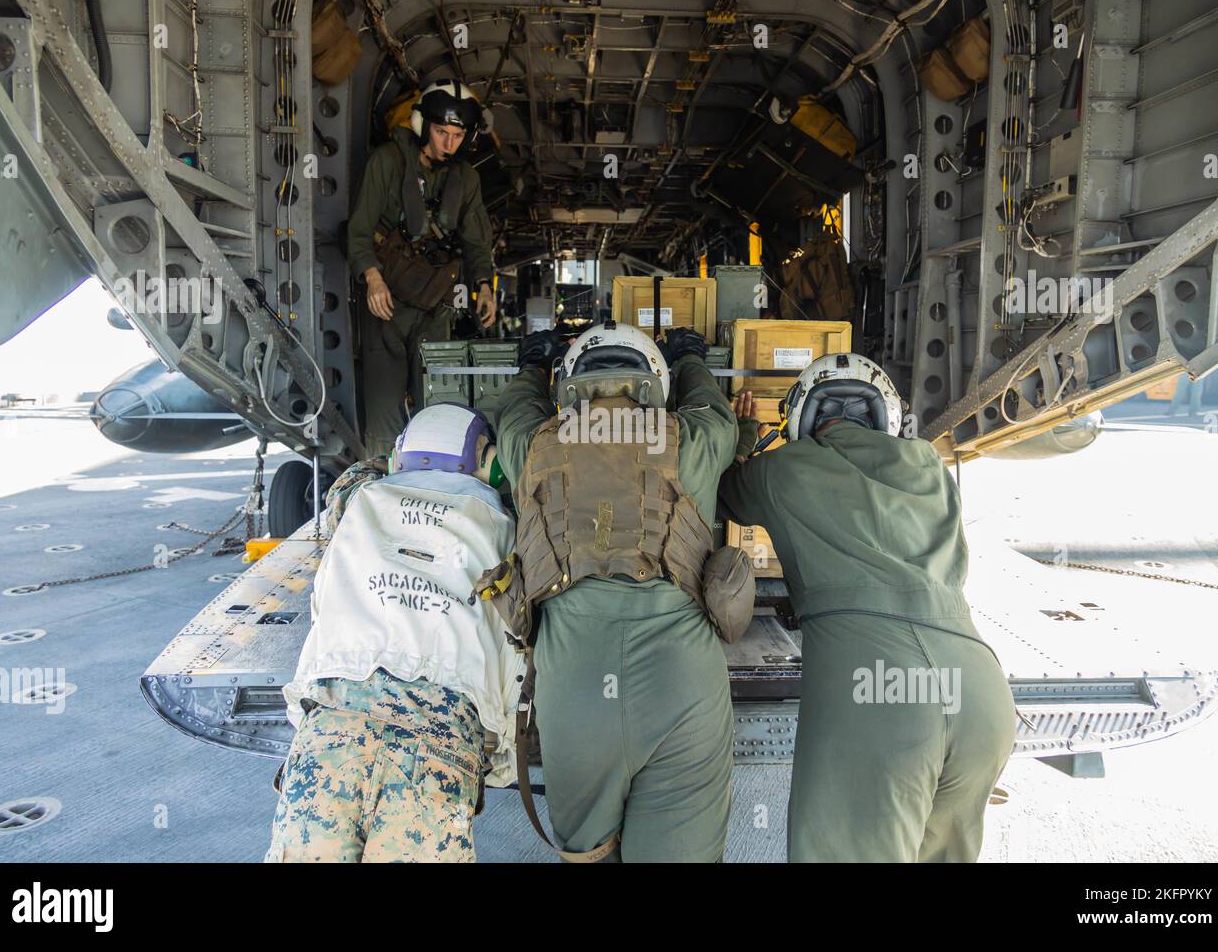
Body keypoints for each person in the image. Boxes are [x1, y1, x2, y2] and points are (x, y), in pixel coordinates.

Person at [719, 354, 1017, 862]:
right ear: (888, 418)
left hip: (881, 698)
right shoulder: (932, 468)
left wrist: (743, 432)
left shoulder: (784, 471)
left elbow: (718, 491)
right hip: (981, 697)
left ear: (801, 419)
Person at [485, 322, 742, 862]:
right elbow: (714, 410)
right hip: (684, 687)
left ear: (570, 385)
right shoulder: (693, 439)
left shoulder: (534, 443)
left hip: (575, 687)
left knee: (587, 854)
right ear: (653, 383)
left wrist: (533, 362)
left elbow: (513, 411)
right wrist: (691, 356)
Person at [265, 403, 524, 862]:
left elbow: (354, 477)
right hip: (437, 742)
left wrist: (392, 464)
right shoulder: (508, 528)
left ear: (398, 459)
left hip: (331, 728)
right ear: (489, 464)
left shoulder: (357, 504)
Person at [348, 79, 498, 458]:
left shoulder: (465, 180)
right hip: (388, 303)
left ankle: (434, 477)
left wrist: (484, 284)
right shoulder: (388, 162)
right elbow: (359, 230)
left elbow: (476, 240)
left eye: (457, 134)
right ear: (422, 126)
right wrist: (373, 278)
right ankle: (383, 474)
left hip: (434, 303)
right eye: (441, 132)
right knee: (384, 402)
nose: (449, 143)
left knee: (438, 400)